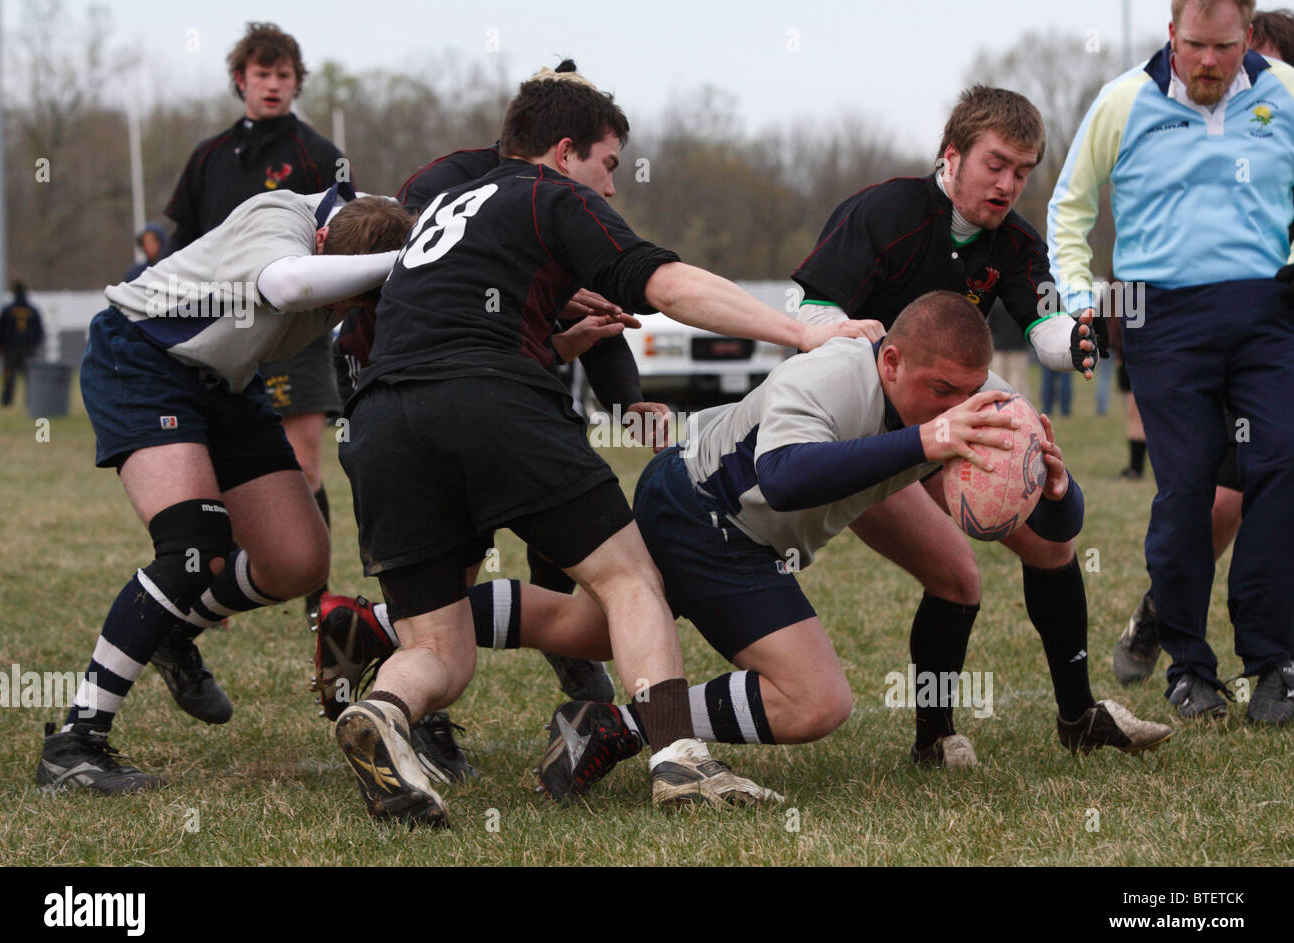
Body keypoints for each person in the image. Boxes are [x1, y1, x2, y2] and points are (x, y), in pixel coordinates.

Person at [323, 292, 1171, 774]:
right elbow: (785, 476)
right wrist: (931, 441)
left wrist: (1052, 488)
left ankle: (384, 627)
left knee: (586, 622)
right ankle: (622, 727)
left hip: (721, 518)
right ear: (891, 364)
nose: (952, 408)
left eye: (967, 393)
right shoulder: (837, 369)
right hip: (704, 511)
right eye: (937, 390)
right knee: (819, 701)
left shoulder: (948, 407)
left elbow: (1039, 531)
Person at [334, 66, 863, 826]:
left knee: (441, 655)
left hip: (381, 421)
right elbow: (670, 285)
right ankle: (680, 762)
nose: (610, 188)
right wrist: (804, 332)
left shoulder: (445, 204)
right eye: (608, 165)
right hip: (489, 400)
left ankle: (383, 710)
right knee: (629, 580)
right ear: (564, 149)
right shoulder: (549, 194)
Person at [35, 187, 415, 793]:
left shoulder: (371, 219)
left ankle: (176, 631)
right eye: (340, 300)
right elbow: (289, 287)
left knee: (298, 560)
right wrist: (406, 257)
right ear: (321, 245)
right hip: (142, 358)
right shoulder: (281, 217)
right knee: (193, 548)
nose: (336, 314)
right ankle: (74, 744)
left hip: (228, 383)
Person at [786, 86, 1114, 764]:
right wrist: (862, 351)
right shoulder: (885, 212)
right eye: (996, 164)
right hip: (861, 428)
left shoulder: (1015, 242)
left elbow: (1040, 321)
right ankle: (934, 736)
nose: (1008, 183)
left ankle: (1076, 716)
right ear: (952, 153)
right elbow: (807, 311)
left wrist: (1074, 340)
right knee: (955, 576)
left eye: (1023, 171)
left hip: (949, 414)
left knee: (1050, 543)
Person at [1049, 0, 1294, 722]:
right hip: (1160, 316)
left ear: (1247, 35)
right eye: (1195, 46)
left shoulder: (1284, 92)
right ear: (1170, 35)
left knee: (1281, 463)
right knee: (1187, 484)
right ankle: (1190, 667)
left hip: (1266, 311)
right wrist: (1076, 297)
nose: (1209, 62)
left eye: (1223, 46)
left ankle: (1274, 661)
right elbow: (1069, 208)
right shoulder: (1122, 101)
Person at [162, 21, 346, 639]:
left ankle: (316, 597)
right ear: (240, 80)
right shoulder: (209, 156)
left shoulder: (319, 154)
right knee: (215, 467)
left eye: (284, 75)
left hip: (294, 332)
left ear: (297, 83)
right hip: (218, 333)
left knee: (301, 462)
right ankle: (230, 575)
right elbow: (179, 245)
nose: (272, 85)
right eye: (262, 74)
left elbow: (343, 240)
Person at [0, 282, 44, 407]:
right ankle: (31, 401)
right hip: (29, 349)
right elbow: (39, 331)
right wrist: (35, 344)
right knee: (30, 378)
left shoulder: (7, 310)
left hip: (10, 350)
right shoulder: (33, 310)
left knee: (8, 377)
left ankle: (6, 401)